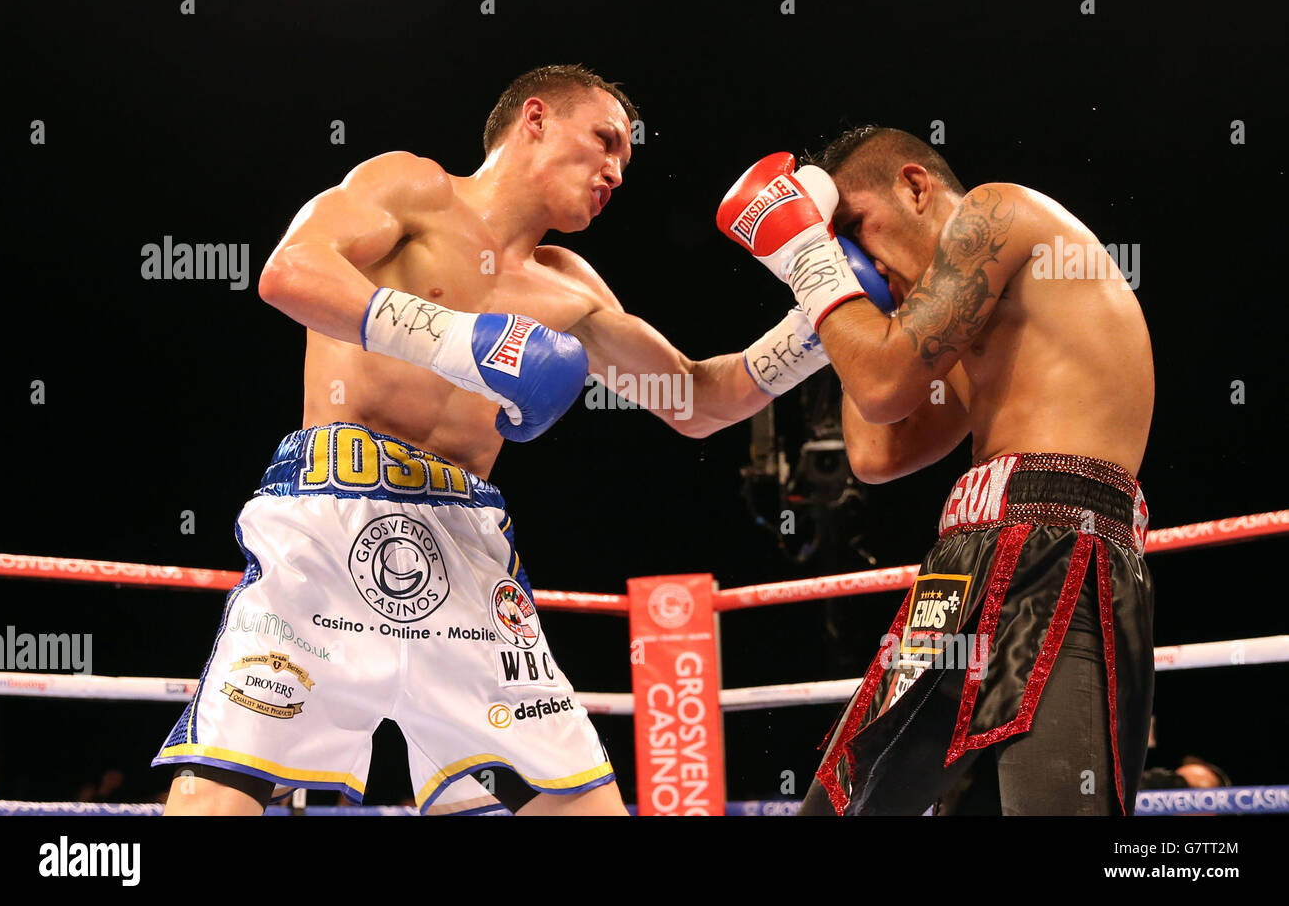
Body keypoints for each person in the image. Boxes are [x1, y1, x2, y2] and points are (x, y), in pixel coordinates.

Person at [154, 65, 830, 816]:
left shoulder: (569, 287)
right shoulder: (411, 188)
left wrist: (820, 320)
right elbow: (290, 273)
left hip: (469, 550)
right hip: (329, 518)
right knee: (224, 794)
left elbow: (697, 400)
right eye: (604, 140)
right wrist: (458, 339)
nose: (614, 170)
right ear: (534, 118)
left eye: (627, 162)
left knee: (585, 809)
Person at [717, 127, 1155, 815]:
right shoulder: (968, 336)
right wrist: (855, 294)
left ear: (916, 187)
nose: (858, 255)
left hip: (1058, 544)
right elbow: (879, 453)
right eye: (843, 245)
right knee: (845, 803)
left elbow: (887, 382)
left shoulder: (997, 211)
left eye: (857, 228)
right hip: (963, 566)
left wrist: (809, 257)